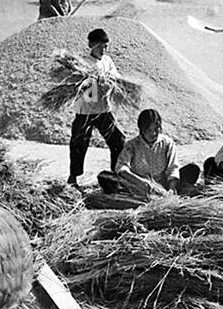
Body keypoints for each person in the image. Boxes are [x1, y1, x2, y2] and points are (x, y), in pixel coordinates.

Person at [67, 27, 125, 187]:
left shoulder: (107, 61)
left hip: (103, 110)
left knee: (118, 141)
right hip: (85, 111)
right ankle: (73, 177)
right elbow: (82, 88)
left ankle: (115, 175)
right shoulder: (82, 62)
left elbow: (116, 78)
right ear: (91, 45)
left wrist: (108, 81)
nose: (104, 50)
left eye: (106, 46)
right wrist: (93, 81)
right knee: (79, 143)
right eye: (100, 46)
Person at [108, 108, 199, 198]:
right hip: (139, 185)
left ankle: (173, 194)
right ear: (141, 129)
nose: (154, 133)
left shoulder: (167, 143)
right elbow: (121, 167)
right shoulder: (132, 145)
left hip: (164, 184)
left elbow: (172, 167)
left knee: (192, 169)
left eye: (157, 129)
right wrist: (142, 182)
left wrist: (171, 190)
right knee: (107, 179)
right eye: (149, 130)